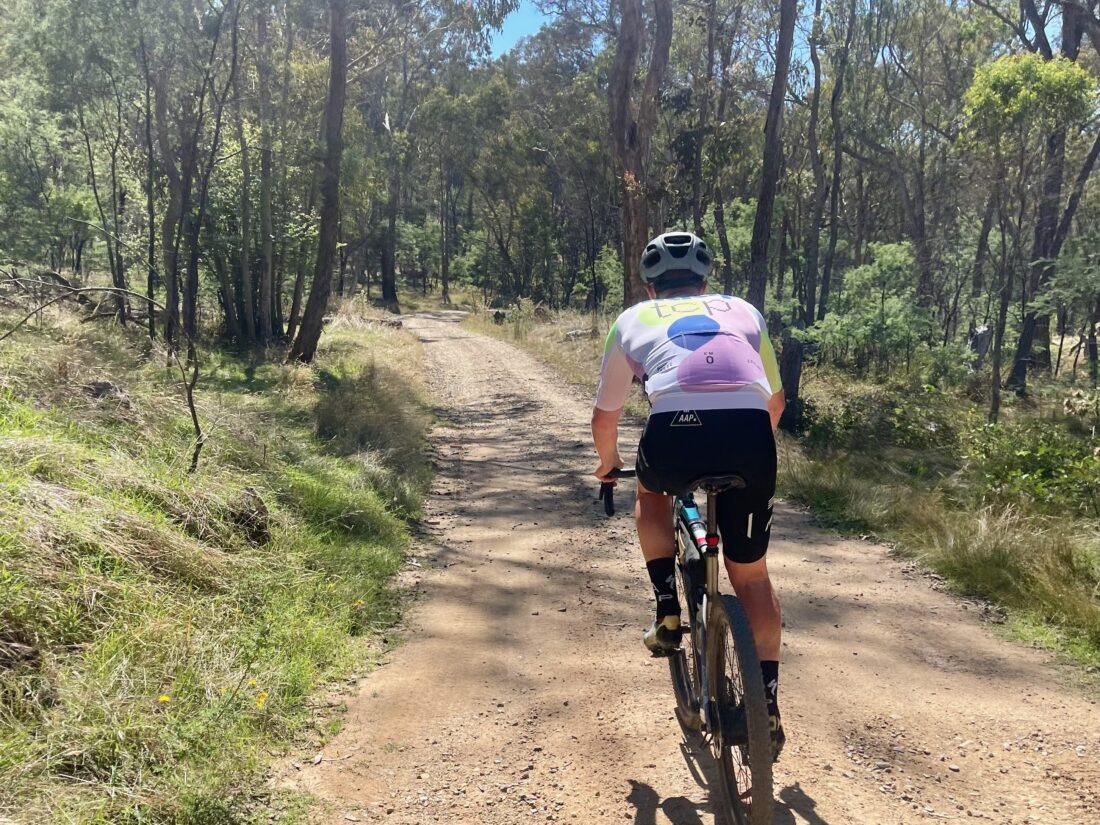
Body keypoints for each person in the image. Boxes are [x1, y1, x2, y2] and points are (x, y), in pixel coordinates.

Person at [590, 231, 786, 758]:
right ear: (705, 281)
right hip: (749, 435)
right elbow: (776, 399)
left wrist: (609, 466)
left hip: (673, 431)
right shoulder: (743, 309)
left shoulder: (631, 320)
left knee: (652, 496)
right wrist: (749, 451)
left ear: (650, 287)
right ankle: (765, 704)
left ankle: (666, 607)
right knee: (754, 577)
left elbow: (605, 415)